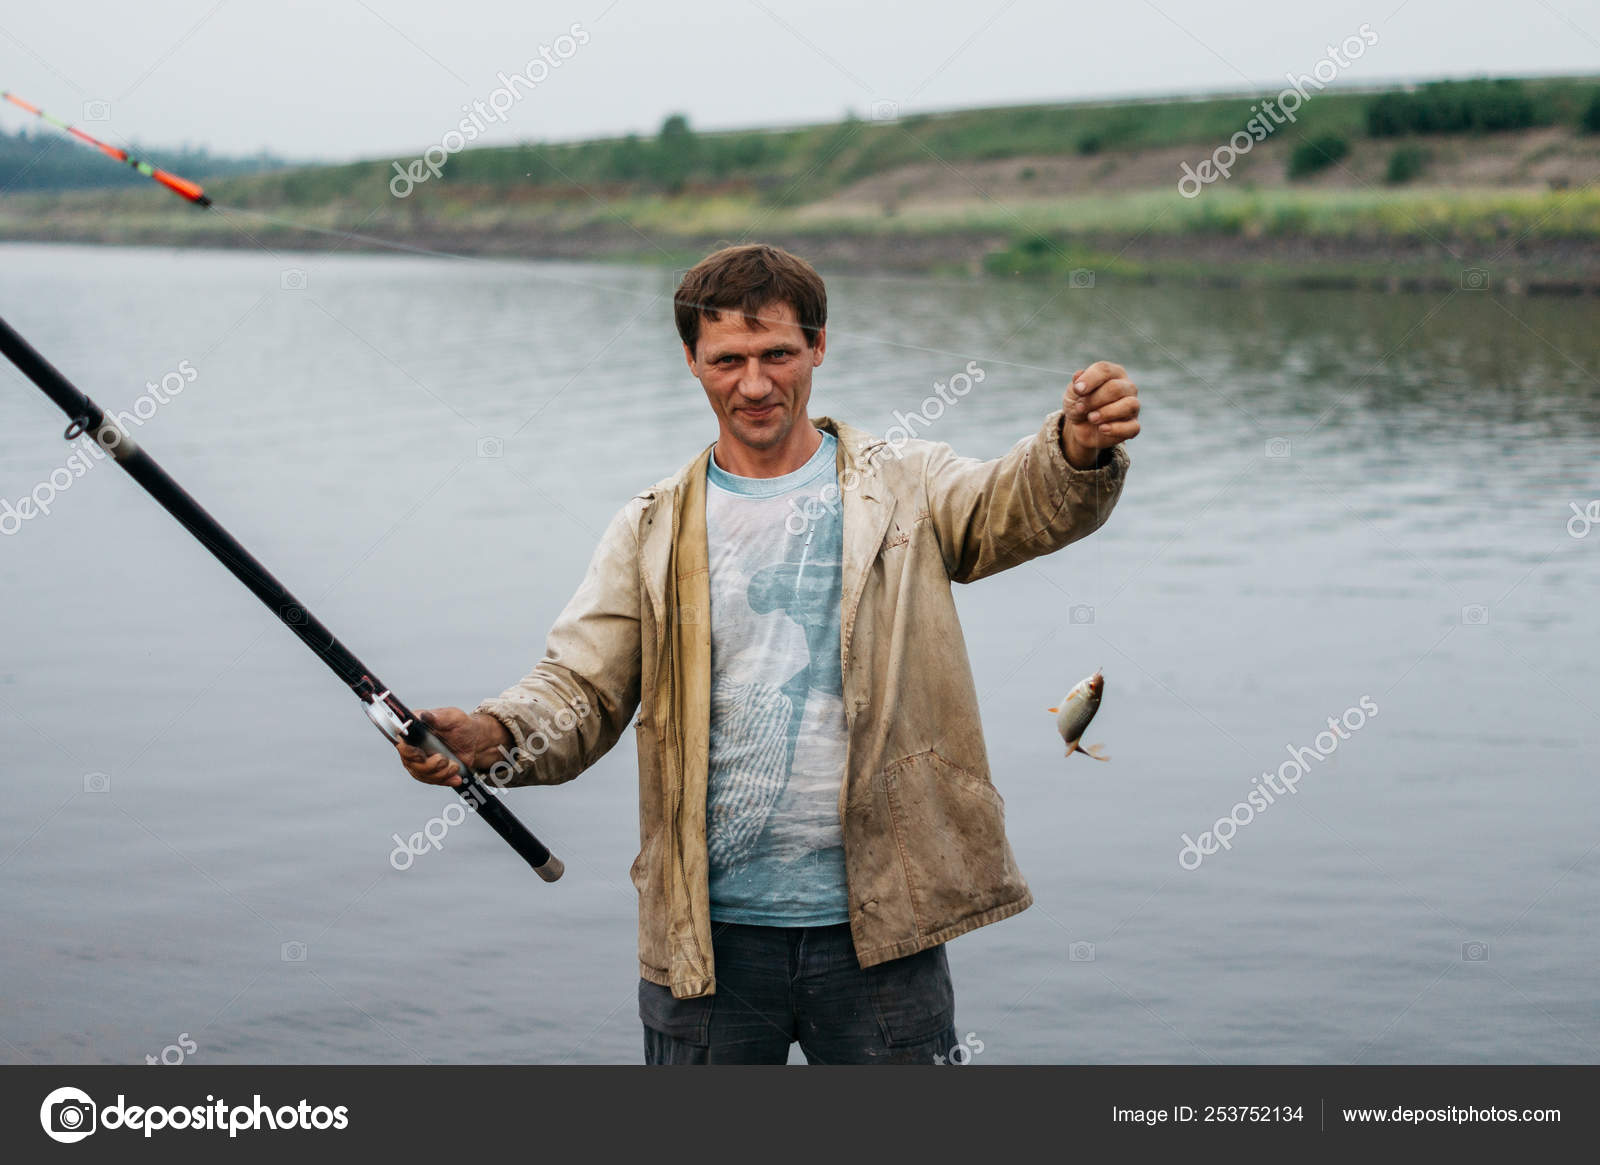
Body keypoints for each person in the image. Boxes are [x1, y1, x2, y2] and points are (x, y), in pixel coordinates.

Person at [394, 242, 1139, 1063]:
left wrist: (1076, 447)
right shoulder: (649, 526)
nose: (754, 384)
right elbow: (580, 689)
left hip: (886, 926)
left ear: (818, 346)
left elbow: (1017, 503)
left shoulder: (907, 485)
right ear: (692, 360)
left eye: (777, 354)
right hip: (706, 936)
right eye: (728, 360)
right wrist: (491, 736)